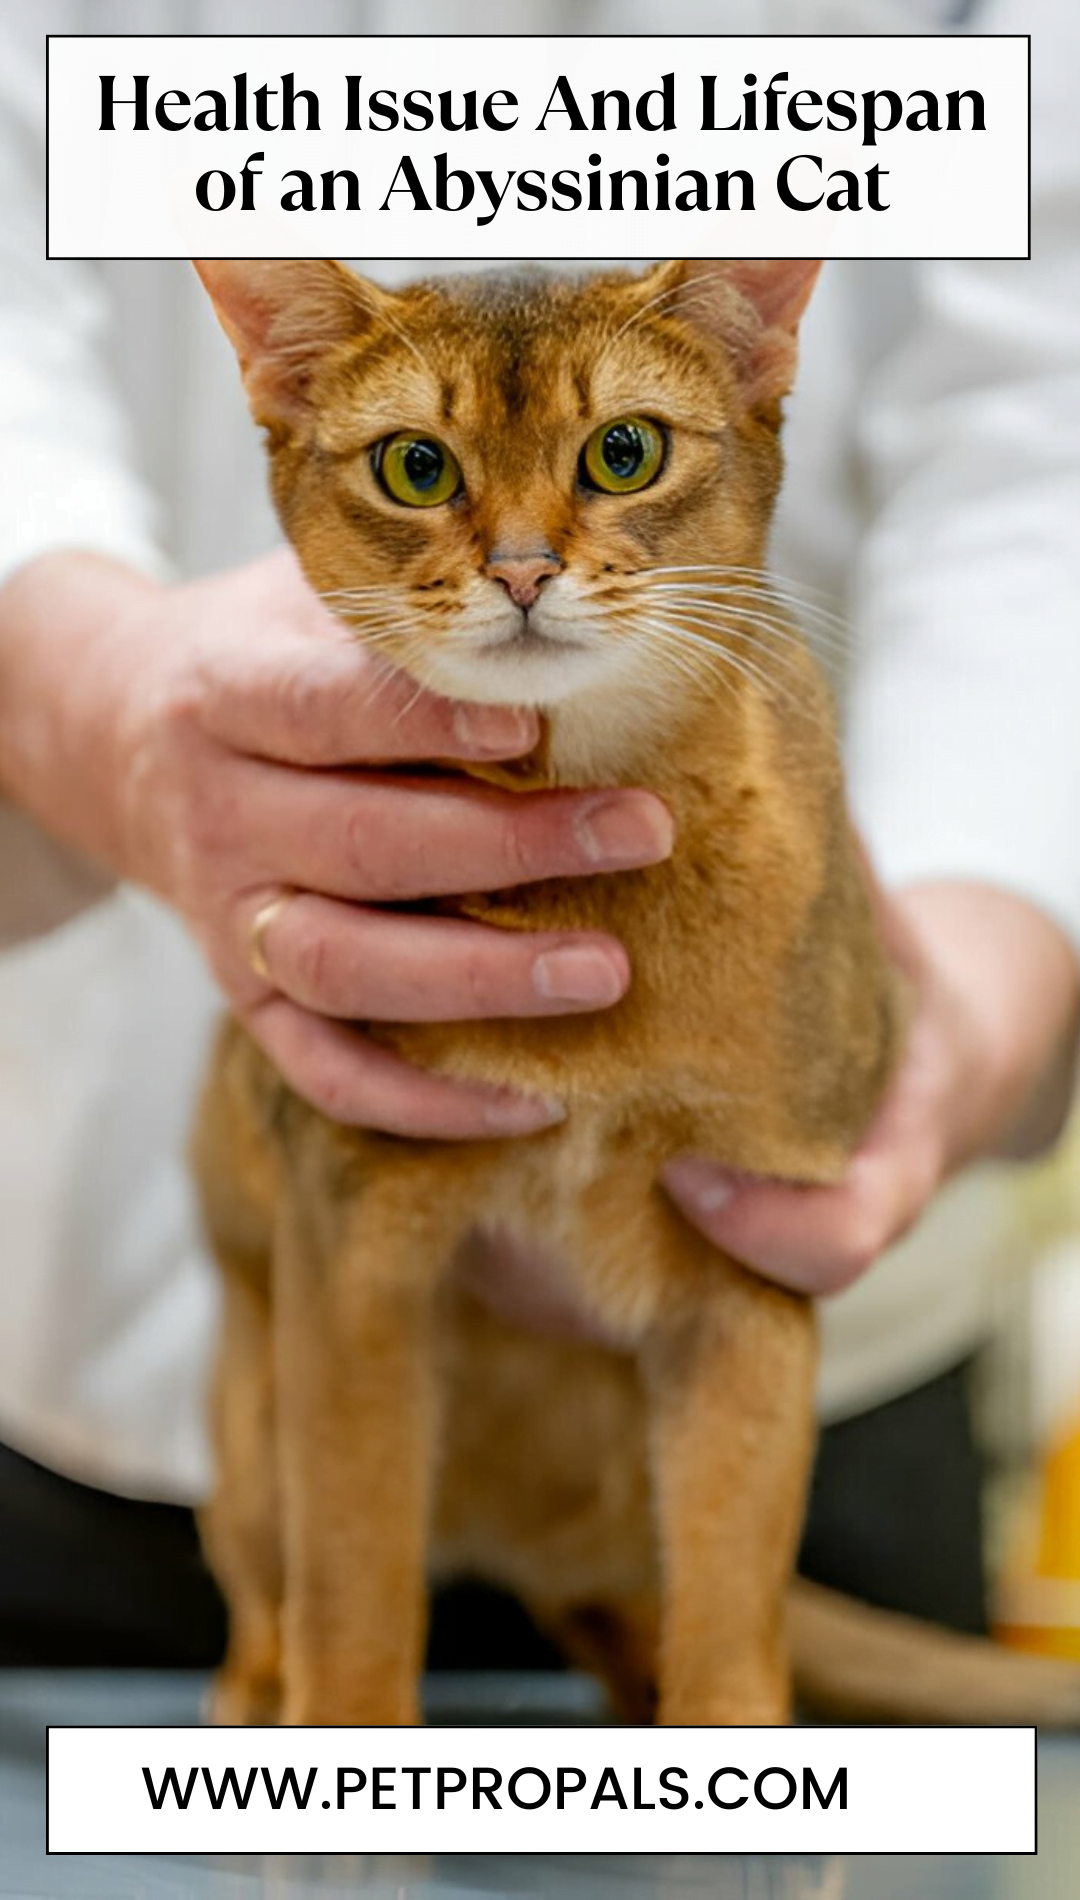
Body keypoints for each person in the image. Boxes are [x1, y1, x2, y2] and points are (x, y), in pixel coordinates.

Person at [0, 0, 1077, 1666]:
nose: (523, 559)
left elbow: (1045, 427)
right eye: (427, 471)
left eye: (620, 458)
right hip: (143, 1381)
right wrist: (92, 702)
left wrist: (967, 978)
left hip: (813, 1347)